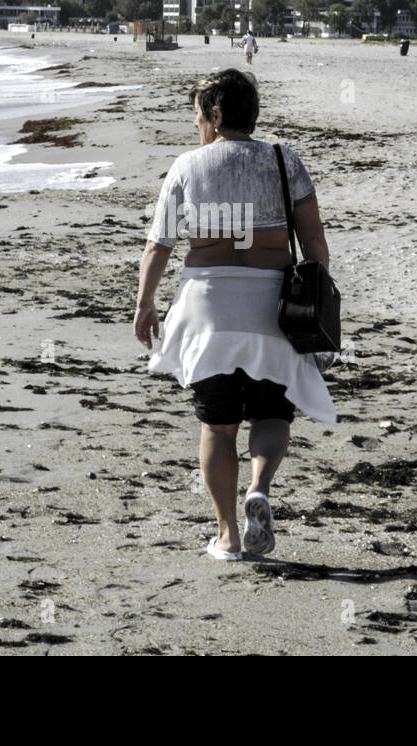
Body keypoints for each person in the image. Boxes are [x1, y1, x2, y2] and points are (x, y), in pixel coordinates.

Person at [134, 69, 336, 562]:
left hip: (209, 309)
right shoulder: (284, 160)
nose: (198, 124)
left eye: (200, 115)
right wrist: (317, 298)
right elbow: (314, 242)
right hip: (273, 307)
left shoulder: (188, 166)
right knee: (271, 412)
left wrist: (145, 304)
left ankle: (227, 536)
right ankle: (259, 489)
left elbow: (158, 245)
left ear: (217, 115)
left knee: (217, 425)